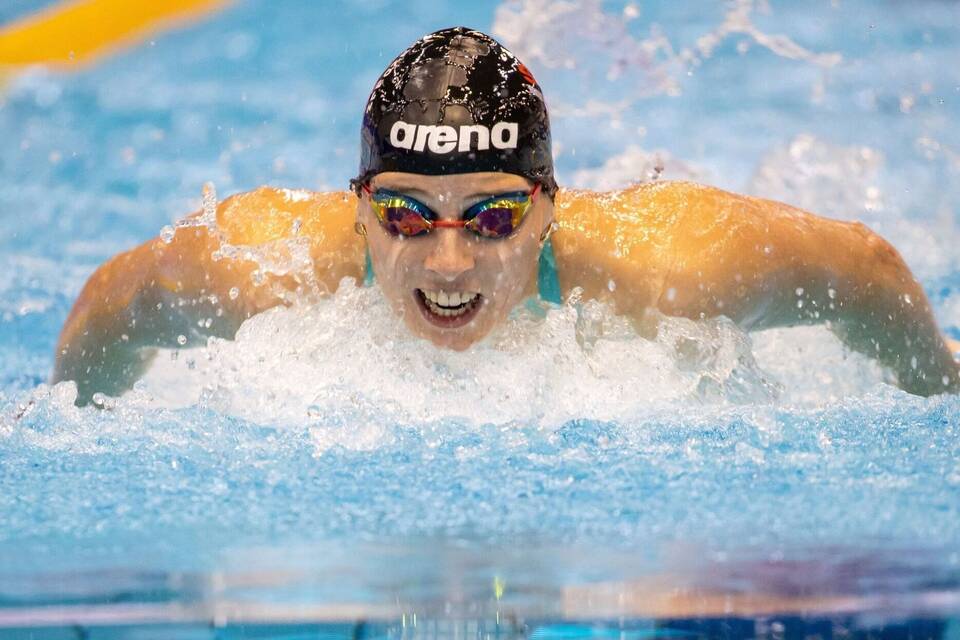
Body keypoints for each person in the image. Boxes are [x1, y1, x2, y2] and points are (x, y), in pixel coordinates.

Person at [53, 27, 959, 405]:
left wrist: (941, 391)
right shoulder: (261, 264)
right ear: (358, 207)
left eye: (491, 219)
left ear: (547, 210)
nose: (449, 265)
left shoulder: (673, 268)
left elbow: (867, 269)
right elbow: (110, 303)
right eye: (407, 215)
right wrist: (77, 418)